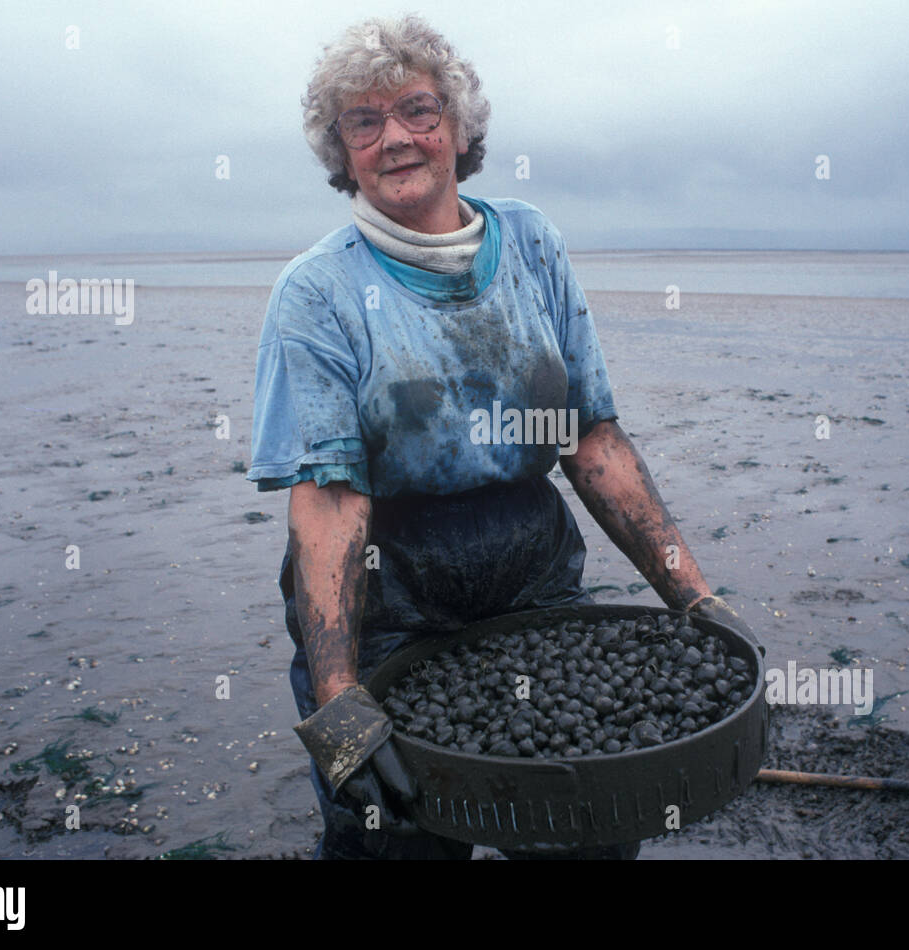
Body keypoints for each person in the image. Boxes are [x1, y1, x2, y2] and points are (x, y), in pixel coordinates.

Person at [248, 13, 759, 860]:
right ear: (342, 151)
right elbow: (332, 497)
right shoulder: (317, 293)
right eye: (363, 123)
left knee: (584, 815)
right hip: (387, 598)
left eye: (417, 109)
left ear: (458, 126)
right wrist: (339, 698)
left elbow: (591, 441)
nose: (396, 138)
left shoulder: (531, 243)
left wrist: (695, 598)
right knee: (391, 830)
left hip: (530, 578)